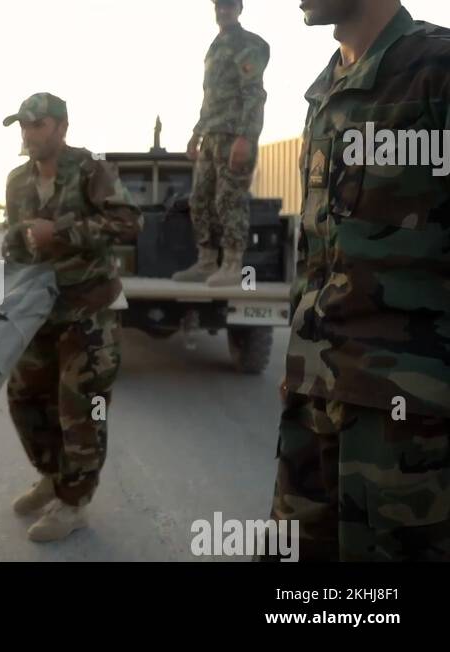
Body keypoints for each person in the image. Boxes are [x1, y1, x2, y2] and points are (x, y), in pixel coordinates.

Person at [263, 0, 450, 561]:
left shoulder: (436, 69)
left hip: (409, 425)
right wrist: (299, 358)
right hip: (315, 396)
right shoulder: (324, 91)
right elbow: (318, 247)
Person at [0, 92, 141, 542]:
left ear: (61, 127)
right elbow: (16, 239)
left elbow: (128, 223)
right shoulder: (18, 180)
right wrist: (18, 243)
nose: (28, 133)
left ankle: (74, 502)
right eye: (22, 125)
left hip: (88, 311)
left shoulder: (90, 170)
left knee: (80, 408)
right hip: (38, 311)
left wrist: (59, 232)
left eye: (36, 124)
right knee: (24, 398)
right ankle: (51, 476)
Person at [173, 0, 270, 286]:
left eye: (229, 5)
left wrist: (246, 137)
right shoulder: (216, 46)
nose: (223, 10)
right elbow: (210, 98)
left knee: (229, 199)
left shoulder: (246, 44)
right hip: (212, 135)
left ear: (239, 9)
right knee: (200, 200)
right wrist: (196, 132)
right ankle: (206, 261)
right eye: (219, 5)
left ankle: (232, 264)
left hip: (233, 137)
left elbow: (254, 93)